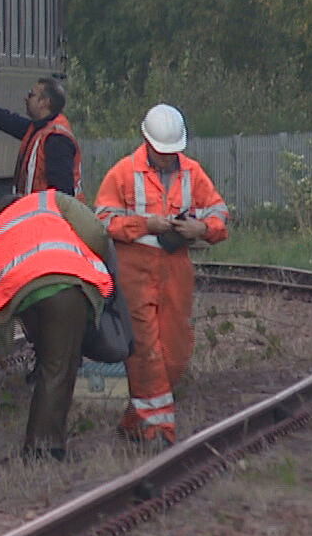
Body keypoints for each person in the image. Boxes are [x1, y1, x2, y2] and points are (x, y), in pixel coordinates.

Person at [92, 103, 230, 445]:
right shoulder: (122, 173)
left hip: (175, 267)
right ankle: (159, 431)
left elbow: (219, 214)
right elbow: (103, 222)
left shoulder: (193, 173)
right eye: (160, 152)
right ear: (146, 141)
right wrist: (145, 224)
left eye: (172, 152)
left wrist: (201, 228)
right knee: (146, 350)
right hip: (134, 267)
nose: (167, 158)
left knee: (176, 352)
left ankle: (135, 421)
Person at [0, 189, 115, 460]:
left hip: (25, 300)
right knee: (60, 368)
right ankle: (42, 450)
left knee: (51, 366)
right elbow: (96, 234)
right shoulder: (50, 201)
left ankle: (47, 443)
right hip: (65, 289)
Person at [0, 76, 81, 196]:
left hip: (47, 213)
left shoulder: (57, 139)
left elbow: (62, 193)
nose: (26, 98)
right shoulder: (39, 129)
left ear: (44, 102)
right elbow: (10, 121)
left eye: (31, 95)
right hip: (38, 211)